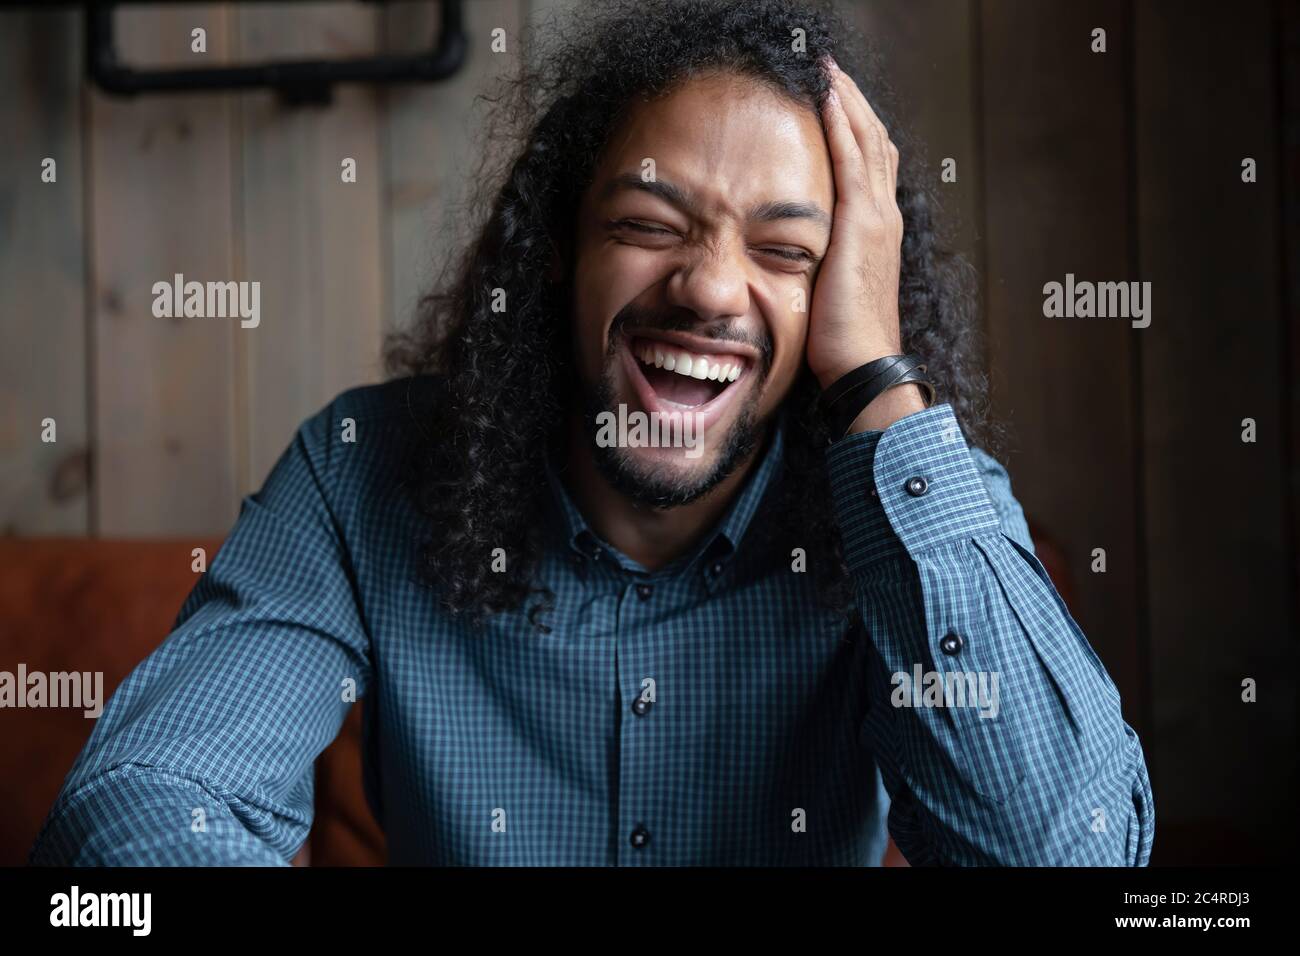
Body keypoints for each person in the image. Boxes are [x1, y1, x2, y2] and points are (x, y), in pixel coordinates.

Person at [32, 0, 1153, 866]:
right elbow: (136, 809)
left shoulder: (909, 510)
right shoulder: (360, 475)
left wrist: (872, 381)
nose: (710, 287)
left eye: (785, 252)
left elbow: (1070, 853)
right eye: (648, 223)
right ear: (558, 252)